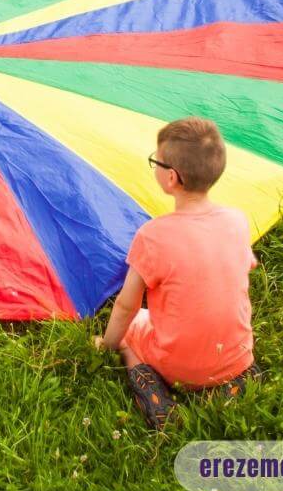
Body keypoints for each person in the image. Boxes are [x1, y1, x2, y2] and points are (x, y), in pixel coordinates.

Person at [94, 118, 260, 429]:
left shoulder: (152, 236)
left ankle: (150, 386)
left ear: (171, 178)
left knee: (132, 329)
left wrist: (106, 345)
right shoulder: (237, 221)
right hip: (237, 355)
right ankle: (234, 382)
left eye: (155, 161)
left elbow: (127, 306)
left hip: (178, 366)